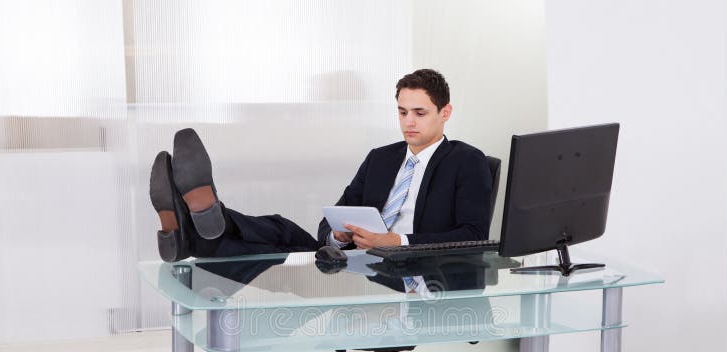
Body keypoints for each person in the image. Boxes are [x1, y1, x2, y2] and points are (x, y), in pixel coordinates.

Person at [149, 69, 493, 262]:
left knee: (271, 255)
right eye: (402, 112)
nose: (409, 122)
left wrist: (397, 241)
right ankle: (201, 222)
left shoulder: (466, 161)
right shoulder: (382, 158)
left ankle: (185, 230)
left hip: (411, 270)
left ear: (445, 113)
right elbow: (330, 221)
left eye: (420, 113)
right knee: (278, 230)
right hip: (352, 261)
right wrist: (337, 235)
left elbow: (473, 236)